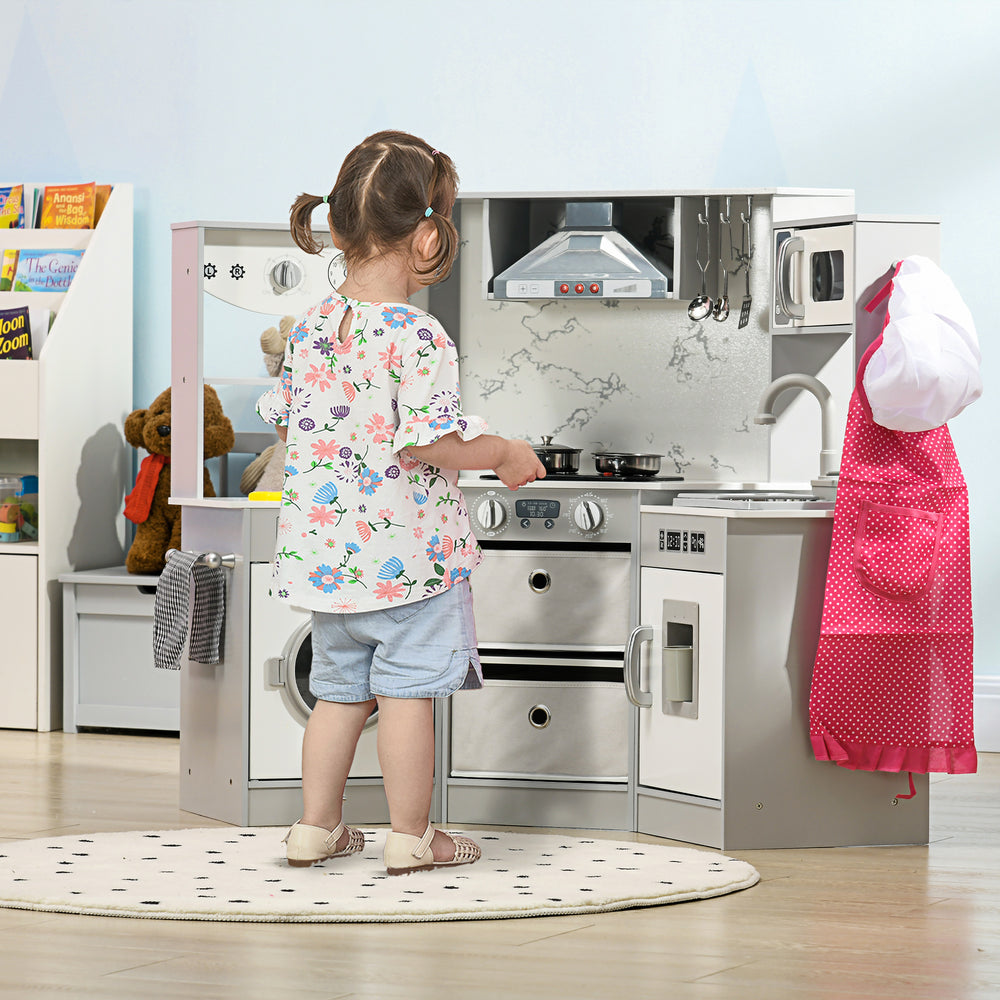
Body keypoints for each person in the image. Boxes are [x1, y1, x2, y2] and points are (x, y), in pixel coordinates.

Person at [256, 130, 545, 876]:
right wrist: (504, 452)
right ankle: (413, 838)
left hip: (329, 562)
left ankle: (315, 829)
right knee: (407, 697)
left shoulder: (315, 327)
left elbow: (293, 418)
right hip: (408, 563)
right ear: (427, 236)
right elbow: (429, 443)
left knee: (339, 698)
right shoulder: (419, 336)